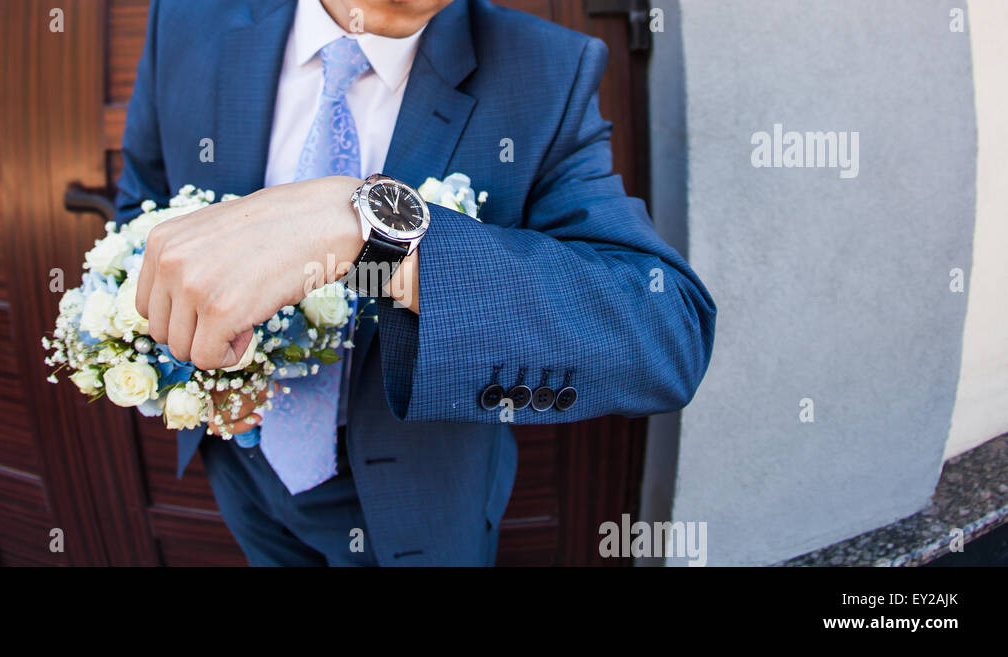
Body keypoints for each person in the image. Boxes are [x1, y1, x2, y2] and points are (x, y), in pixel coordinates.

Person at [117, 0, 717, 566]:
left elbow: (665, 334)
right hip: (240, 465)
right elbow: (140, 206)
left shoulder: (547, 71)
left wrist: (370, 231)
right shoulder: (187, 16)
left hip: (420, 498)